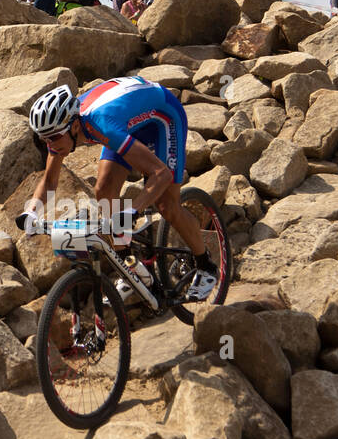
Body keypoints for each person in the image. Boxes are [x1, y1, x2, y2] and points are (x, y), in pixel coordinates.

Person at [21, 79, 218, 303]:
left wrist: (133, 211)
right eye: (43, 138)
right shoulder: (59, 133)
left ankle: (206, 266)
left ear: (74, 126)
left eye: (54, 137)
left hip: (162, 118)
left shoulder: (101, 124)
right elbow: (49, 181)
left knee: (166, 205)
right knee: (104, 191)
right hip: (126, 121)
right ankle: (131, 269)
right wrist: (31, 212)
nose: (50, 144)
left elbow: (161, 174)